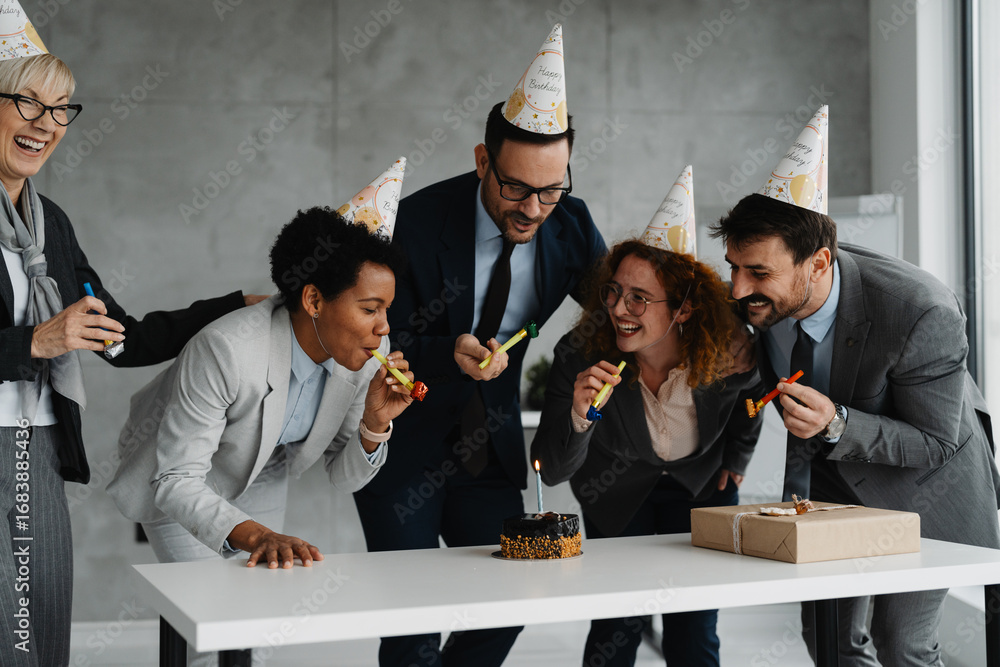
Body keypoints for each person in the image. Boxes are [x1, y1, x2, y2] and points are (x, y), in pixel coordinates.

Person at [0, 10, 259, 665]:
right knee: (9, 641)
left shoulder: (50, 225)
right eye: (27, 100)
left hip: (37, 447)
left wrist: (235, 307)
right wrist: (35, 342)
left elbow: (125, 338)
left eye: (60, 109)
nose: (43, 123)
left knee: (45, 635)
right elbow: (46, 338)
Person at [352, 24, 606, 667]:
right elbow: (368, 335)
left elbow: (622, 310)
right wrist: (448, 351)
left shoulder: (570, 226)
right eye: (516, 187)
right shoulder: (411, 223)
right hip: (401, 441)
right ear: (481, 161)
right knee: (411, 629)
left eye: (551, 189)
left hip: (487, 445)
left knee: (511, 601)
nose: (533, 208)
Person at [712, 107, 1000, 666]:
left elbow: (935, 443)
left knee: (903, 647)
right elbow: (753, 383)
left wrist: (837, 423)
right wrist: (737, 448)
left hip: (925, 489)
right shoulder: (759, 301)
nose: (737, 288)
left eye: (758, 274)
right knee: (829, 640)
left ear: (818, 263)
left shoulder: (921, 310)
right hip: (828, 488)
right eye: (734, 267)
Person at [532, 169, 762, 667]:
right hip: (615, 496)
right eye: (613, 292)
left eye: (639, 297)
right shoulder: (578, 354)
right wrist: (578, 416)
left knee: (694, 631)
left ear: (682, 310)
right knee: (616, 627)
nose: (618, 308)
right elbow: (550, 470)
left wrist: (739, 457)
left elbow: (752, 400)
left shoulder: (728, 354)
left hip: (701, 489)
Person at [108, 206, 413, 568]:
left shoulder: (369, 352)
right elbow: (177, 479)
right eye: (369, 309)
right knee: (205, 605)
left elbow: (343, 478)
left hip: (266, 465)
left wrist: (374, 425)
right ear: (313, 300)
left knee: (261, 596)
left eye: (387, 310)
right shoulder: (225, 350)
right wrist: (258, 534)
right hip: (183, 477)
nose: (383, 328)